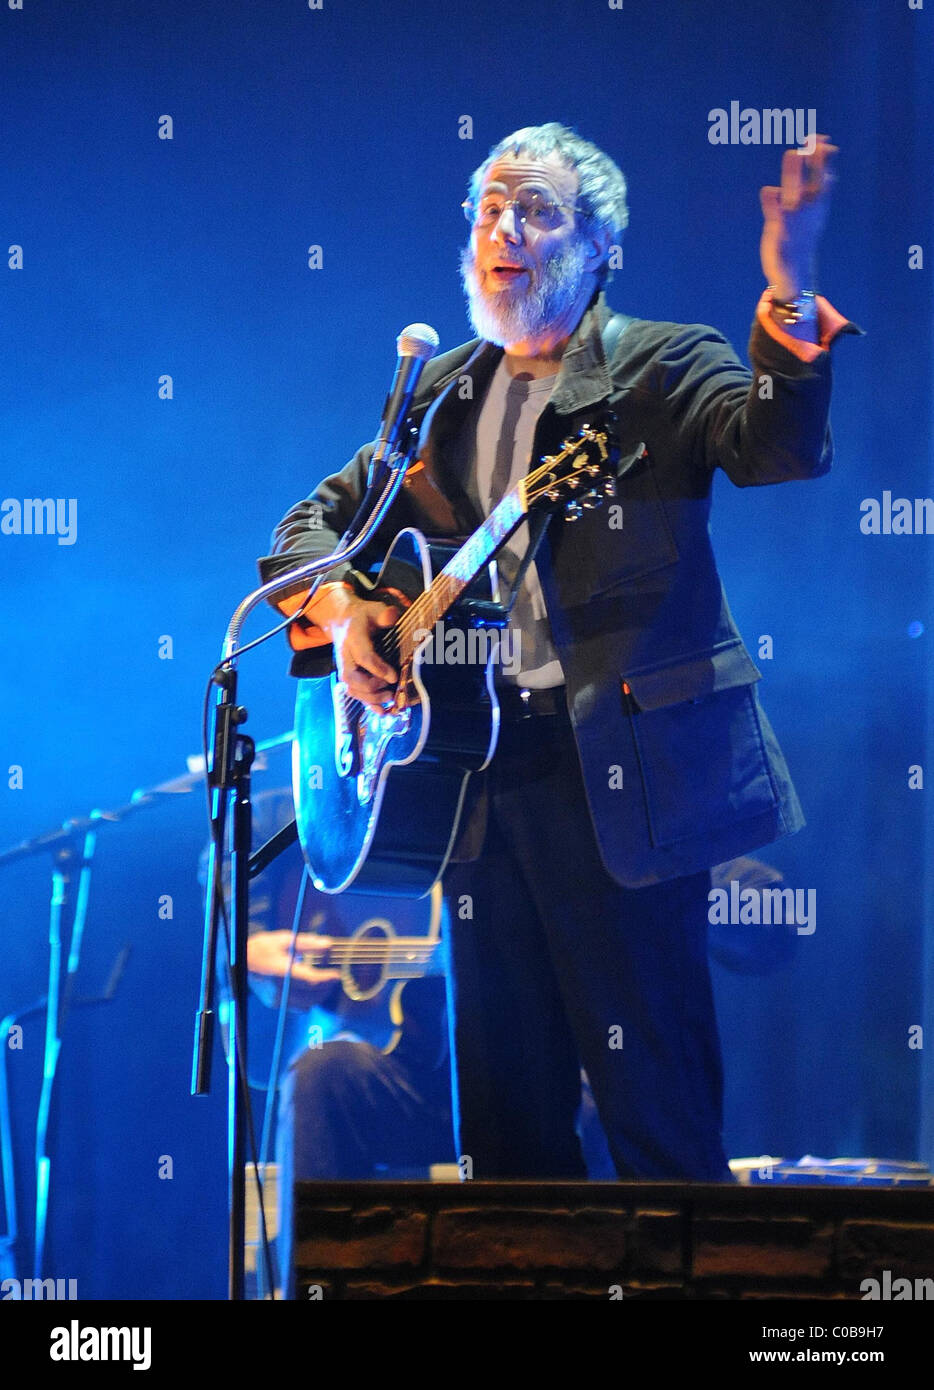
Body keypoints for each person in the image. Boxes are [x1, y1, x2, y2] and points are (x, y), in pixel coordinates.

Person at [257, 123, 859, 1182]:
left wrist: (791, 290)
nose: (503, 229)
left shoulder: (661, 364)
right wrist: (349, 612)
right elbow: (311, 528)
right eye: (488, 209)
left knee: (658, 1124)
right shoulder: (438, 390)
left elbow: (776, 448)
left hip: (625, 781)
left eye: (534, 210)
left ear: (598, 246)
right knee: (506, 1136)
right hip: (474, 788)